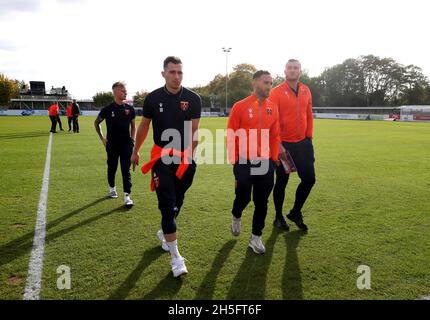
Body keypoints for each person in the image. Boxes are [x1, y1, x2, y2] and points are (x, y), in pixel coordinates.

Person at [131, 56, 202, 278]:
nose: (176, 76)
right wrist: (136, 150)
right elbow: (144, 126)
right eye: (172, 72)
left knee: (177, 202)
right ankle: (176, 258)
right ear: (163, 73)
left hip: (185, 158)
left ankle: (165, 230)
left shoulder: (193, 98)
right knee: (167, 205)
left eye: (180, 72)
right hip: (161, 157)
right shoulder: (152, 98)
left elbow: (194, 131)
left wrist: (189, 156)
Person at [227, 70, 280, 254]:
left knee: (262, 201)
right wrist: (234, 162)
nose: (269, 86)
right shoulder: (239, 106)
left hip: (265, 162)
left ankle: (256, 238)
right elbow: (231, 134)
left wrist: (273, 159)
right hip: (243, 161)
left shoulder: (273, 107)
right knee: (243, 197)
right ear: (254, 83)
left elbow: (275, 135)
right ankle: (236, 215)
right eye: (266, 82)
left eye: (271, 83)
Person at [269, 59, 316, 232]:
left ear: (300, 71)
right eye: (290, 68)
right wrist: (278, 145)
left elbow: (309, 115)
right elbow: (271, 121)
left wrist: (309, 138)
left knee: (309, 179)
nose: (292, 70)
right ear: (285, 71)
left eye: (295, 68)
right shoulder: (276, 92)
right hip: (284, 145)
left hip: (303, 144)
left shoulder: (306, 90)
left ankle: (295, 212)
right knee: (282, 181)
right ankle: (278, 217)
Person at [94, 82, 136, 208]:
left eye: (125, 90)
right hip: (111, 145)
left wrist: (132, 141)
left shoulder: (130, 109)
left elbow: (134, 127)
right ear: (115, 92)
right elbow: (96, 123)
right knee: (112, 168)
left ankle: (127, 195)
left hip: (126, 145)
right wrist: (102, 138)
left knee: (125, 170)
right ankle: (112, 188)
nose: (125, 92)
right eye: (123, 91)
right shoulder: (107, 109)